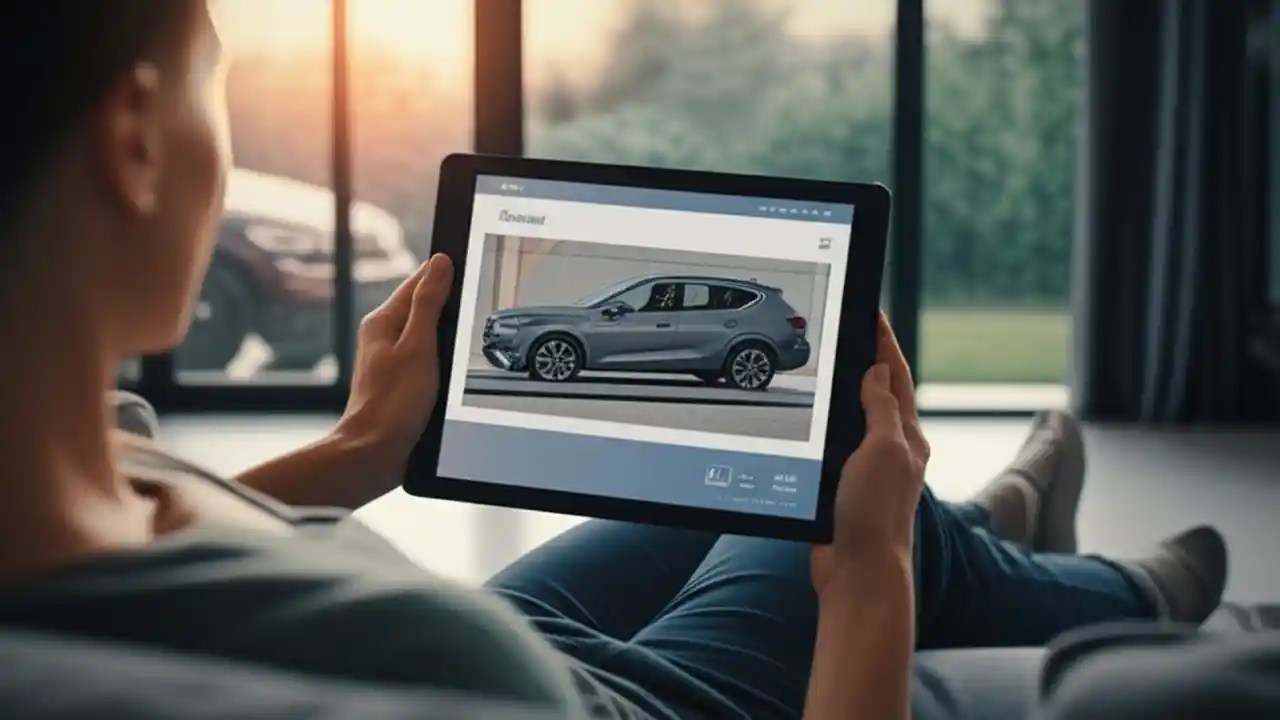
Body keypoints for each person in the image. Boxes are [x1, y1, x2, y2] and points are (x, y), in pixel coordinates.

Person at [0, 2, 1229, 719]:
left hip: (493, 623)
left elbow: (147, 537)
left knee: (760, 478)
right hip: (584, 688)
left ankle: (994, 522)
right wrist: (874, 577)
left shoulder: (66, 466)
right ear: (135, 141)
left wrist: (359, 449)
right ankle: (1119, 593)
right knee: (815, 490)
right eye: (214, 82)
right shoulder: (454, 687)